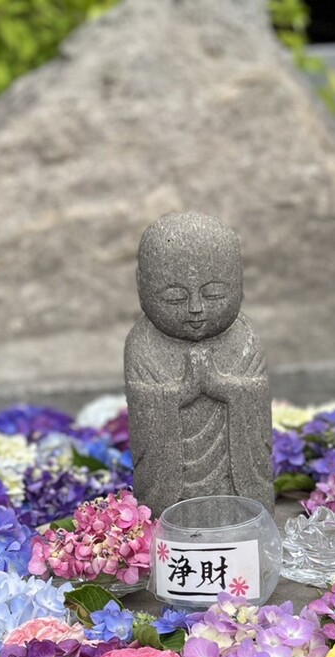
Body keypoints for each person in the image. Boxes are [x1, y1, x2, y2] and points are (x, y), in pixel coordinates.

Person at [124, 212, 274, 517]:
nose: (195, 308)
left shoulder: (243, 338)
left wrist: (223, 387)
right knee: (170, 518)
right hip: (173, 487)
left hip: (234, 484)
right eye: (175, 298)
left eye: (213, 294)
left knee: (240, 516)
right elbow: (144, 414)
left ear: (240, 285)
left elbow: (255, 400)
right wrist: (180, 393)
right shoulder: (144, 344)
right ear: (142, 288)